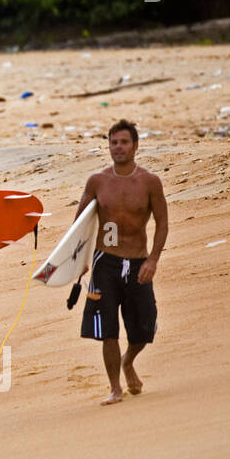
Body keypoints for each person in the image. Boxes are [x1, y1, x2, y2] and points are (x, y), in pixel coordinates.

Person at [75, 119, 168, 405]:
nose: (118, 147)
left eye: (124, 142)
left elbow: (163, 223)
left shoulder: (150, 182)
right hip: (106, 262)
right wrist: (79, 261)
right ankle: (115, 388)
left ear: (136, 146)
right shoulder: (98, 181)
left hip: (138, 261)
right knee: (108, 330)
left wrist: (153, 260)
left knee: (143, 328)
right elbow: (79, 224)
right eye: (114, 142)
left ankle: (128, 361)